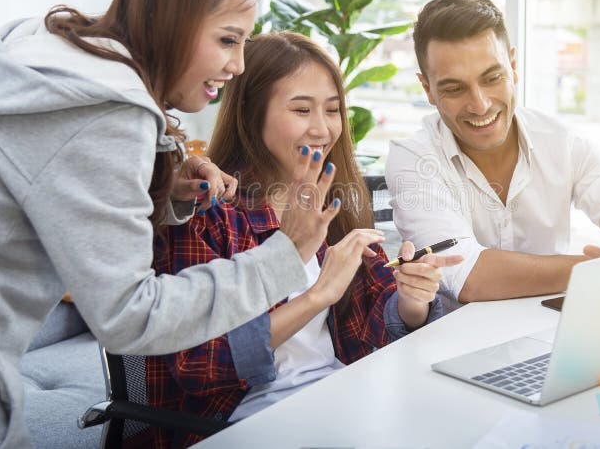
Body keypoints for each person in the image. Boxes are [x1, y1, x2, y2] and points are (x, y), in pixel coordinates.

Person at [0, 0, 339, 448]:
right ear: (174, 20)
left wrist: (163, 193)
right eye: (227, 39)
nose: (238, 65)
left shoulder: (52, 53)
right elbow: (129, 316)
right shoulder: (106, 111)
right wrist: (286, 255)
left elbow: (46, 194)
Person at [146, 31, 462, 448]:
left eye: (332, 110)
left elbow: (372, 318)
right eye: (301, 110)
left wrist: (412, 299)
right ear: (252, 113)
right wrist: (315, 297)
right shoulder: (208, 212)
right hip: (241, 420)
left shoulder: (332, 204)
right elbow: (197, 364)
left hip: (339, 396)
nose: (322, 129)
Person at [385, 0, 600, 311]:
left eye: (492, 78)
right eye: (455, 88)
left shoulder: (564, 143)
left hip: (553, 330)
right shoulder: (413, 159)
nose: (480, 104)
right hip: (454, 336)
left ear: (513, 67)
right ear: (427, 89)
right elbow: (469, 275)